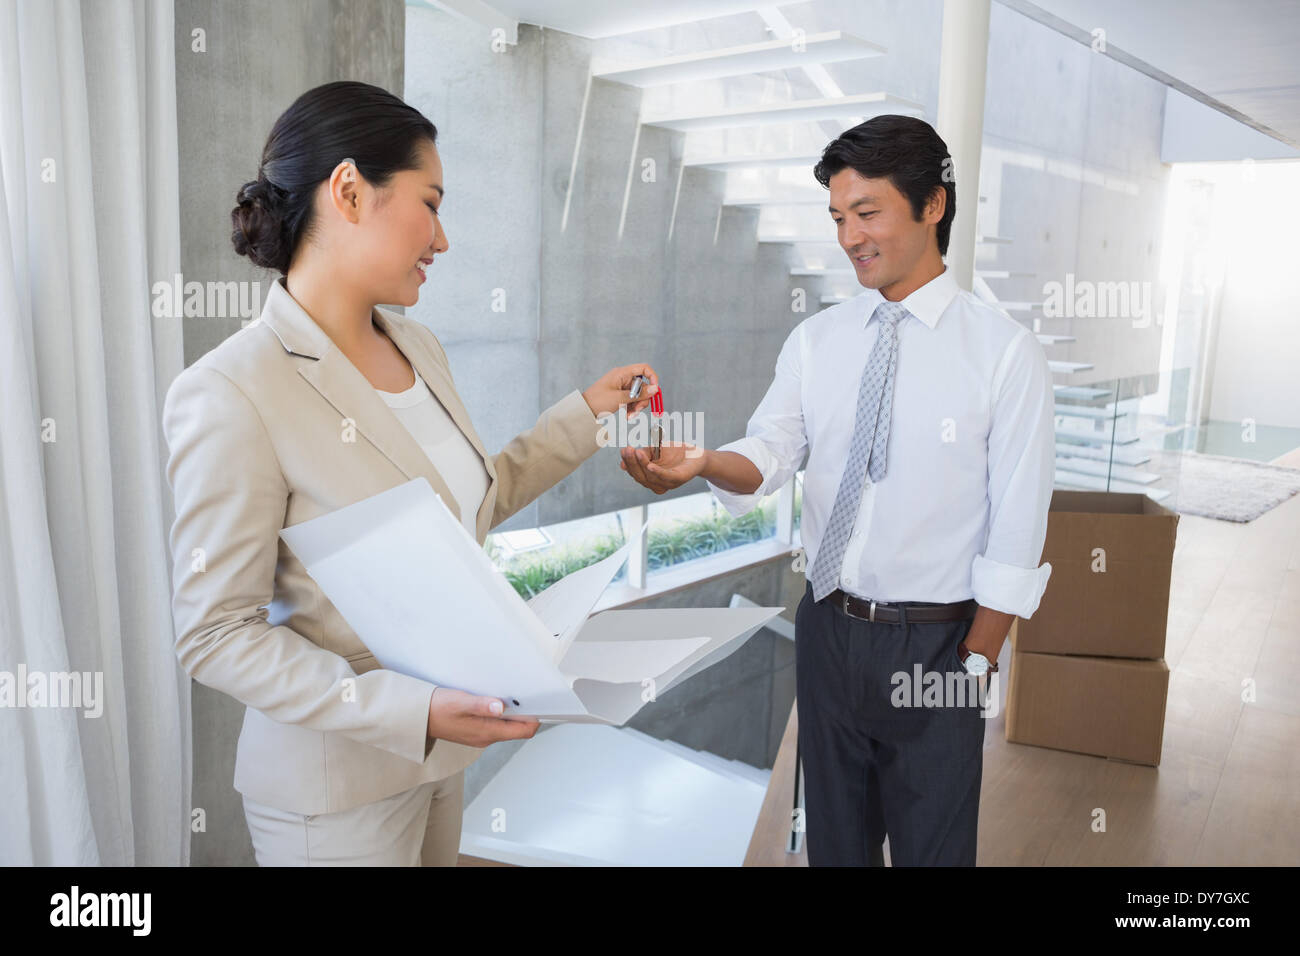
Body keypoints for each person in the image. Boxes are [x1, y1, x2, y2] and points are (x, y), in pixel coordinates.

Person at [163, 80, 658, 866]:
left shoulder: (418, 347)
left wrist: (586, 418)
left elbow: (465, 508)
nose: (443, 238)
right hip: (331, 793)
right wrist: (414, 709)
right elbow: (217, 635)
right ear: (351, 191)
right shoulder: (230, 391)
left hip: (438, 760)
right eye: (431, 202)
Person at [619, 114, 1055, 865]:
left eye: (868, 213)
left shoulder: (1004, 356)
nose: (851, 237)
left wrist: (974, 663)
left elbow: (1017, 525)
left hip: (940, 645)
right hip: (829, 629)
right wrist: (702, 462)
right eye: (838, 218)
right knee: (834, 848)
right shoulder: (817, 342)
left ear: (932, 207)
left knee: (934, 852)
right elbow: (771, 454)